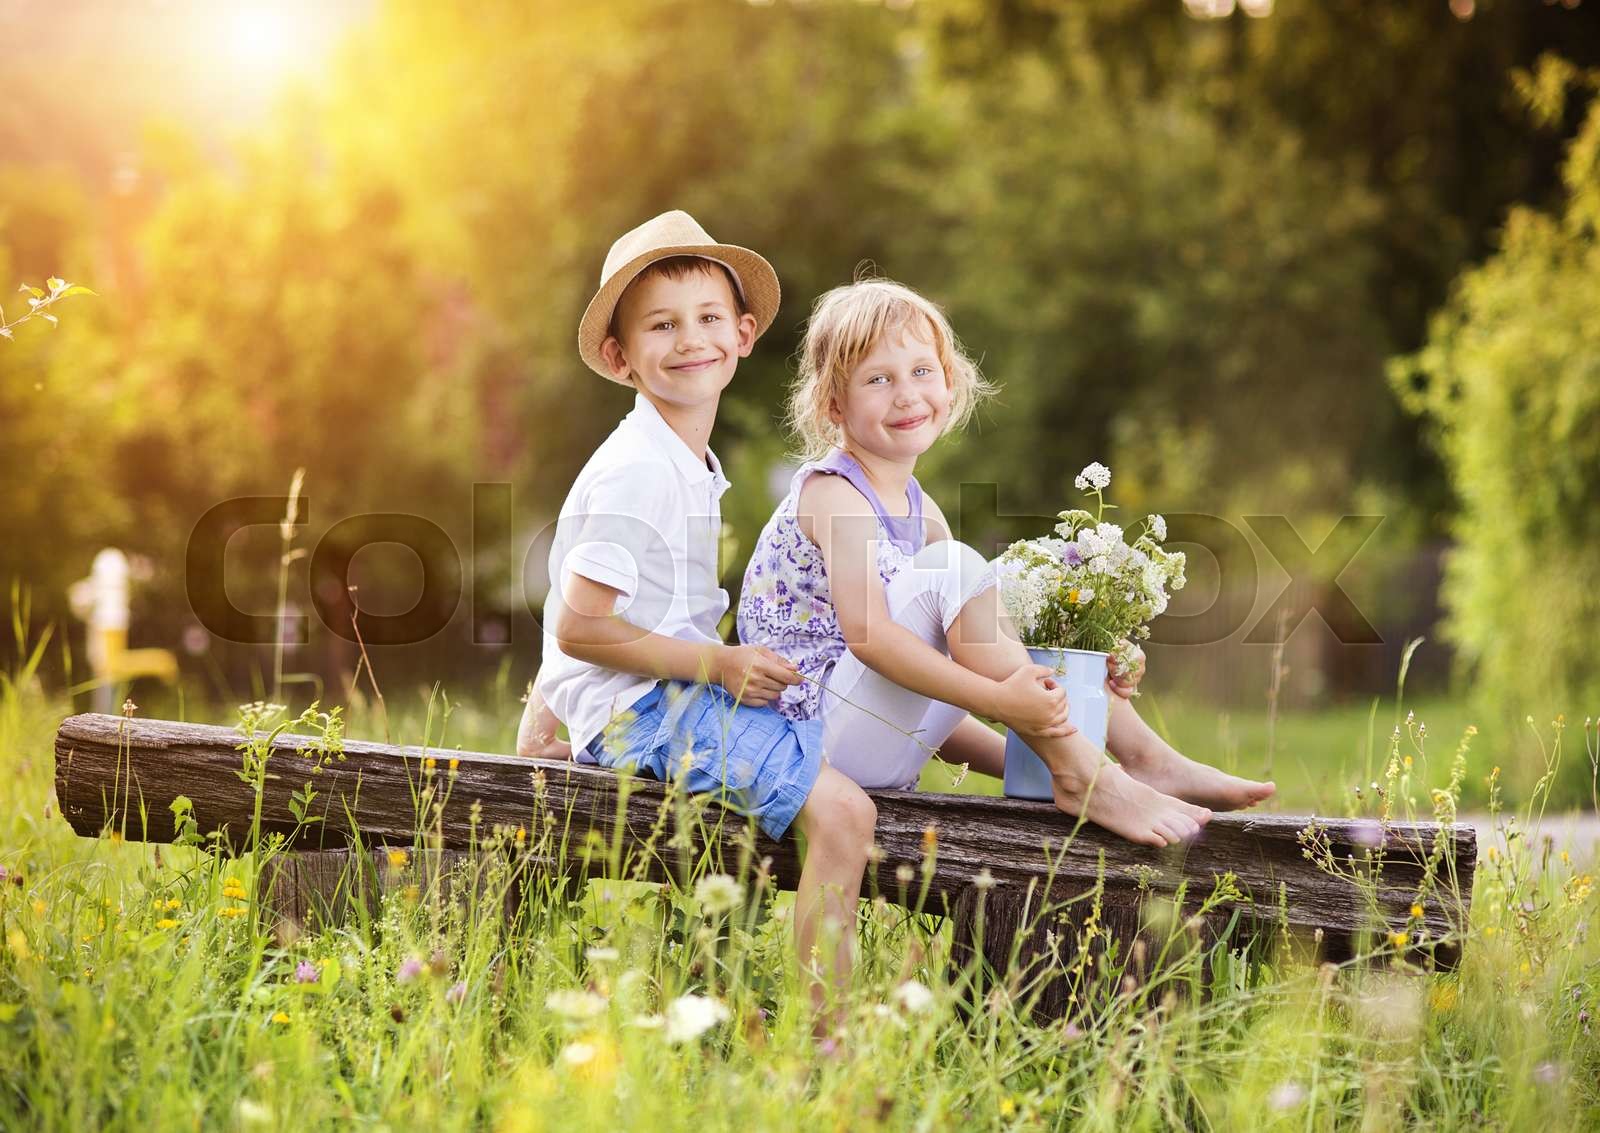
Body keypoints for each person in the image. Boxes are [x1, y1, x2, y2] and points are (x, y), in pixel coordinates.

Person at [737, 277, 1274, 847]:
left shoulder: (924, 514)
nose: (906, 394)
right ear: (833, 404)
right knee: (958, 569)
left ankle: (1134, 758)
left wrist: (1072, 695)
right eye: (878, 379)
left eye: (922, 370)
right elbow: (870, 641)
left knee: (1009, 603)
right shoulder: (834, 494)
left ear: (950, 380)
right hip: (806, 750)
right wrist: (1001, 701)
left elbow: (931, 691)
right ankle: (1091, 773)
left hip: (866, 746)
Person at [529, 210, 876, 1012]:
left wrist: (545, 713)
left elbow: (608, 605)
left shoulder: (682, 458)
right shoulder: (639, 469)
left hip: (649, 702)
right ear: (620, 356)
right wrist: (716, 664)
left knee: (831, 738)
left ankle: (709, 985)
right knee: (846, 811)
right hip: (644, 712)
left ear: (744, 333)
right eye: (662, 325)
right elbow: (578, 624)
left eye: (709, 318)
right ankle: (825, 1044)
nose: (692, 340)